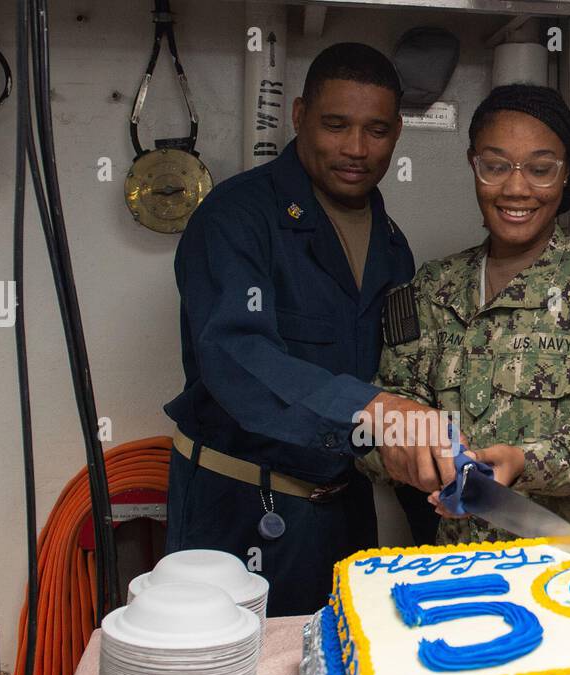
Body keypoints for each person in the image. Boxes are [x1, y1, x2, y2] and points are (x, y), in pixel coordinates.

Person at [163, 43, 446, 616]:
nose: (356, 149)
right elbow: (236, 356)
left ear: (397, 134)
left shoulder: (392, 246)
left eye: (377, 130)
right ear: (298, 116)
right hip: (241, 506)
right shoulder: (236, 217)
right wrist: (377, 410)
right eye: (335, 125)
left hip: (346, 510)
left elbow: (403, 374)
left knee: (344, 671)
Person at [359, 84, 570, 544]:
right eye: (495, 166)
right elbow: (379, 417)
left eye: (540, 169)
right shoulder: (429, 293)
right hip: (462, 567)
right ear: (474, 165)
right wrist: (410, 454)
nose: (515, 187)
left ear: (566, 174)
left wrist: (527, 464)